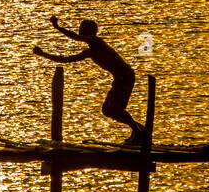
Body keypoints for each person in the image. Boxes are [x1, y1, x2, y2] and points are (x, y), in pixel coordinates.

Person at [32, 15, 142, 145]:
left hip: (125, 76)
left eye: (81, 29)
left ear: (88, 32)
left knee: (115, 108)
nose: (79, 31)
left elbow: (77, 38)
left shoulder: (97, 41)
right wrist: (43, 54)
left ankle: (139, 132)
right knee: (107, 109)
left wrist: (57, 27)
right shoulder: (89, 52)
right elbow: (66, 59)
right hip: (120, 78)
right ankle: (138, 130)